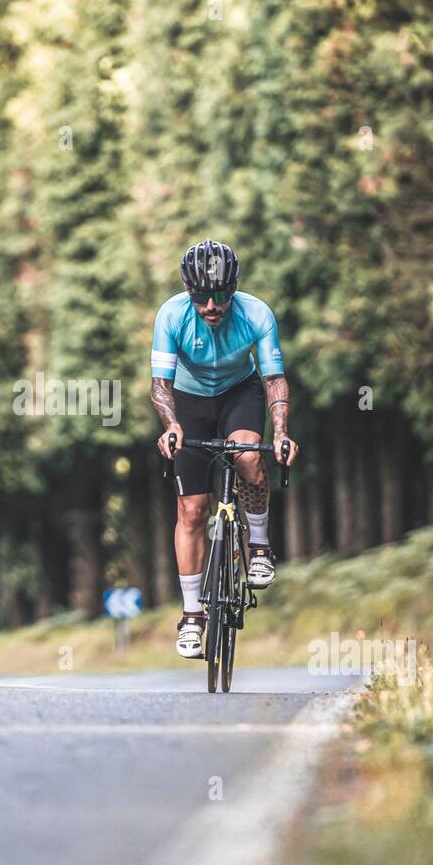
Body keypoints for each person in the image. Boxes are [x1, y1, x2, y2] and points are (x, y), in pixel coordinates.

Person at [150, 239, 299, 659]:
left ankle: (260, 546)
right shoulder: (171, 315)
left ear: (234, 289)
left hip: (239, 393)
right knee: (192, 510)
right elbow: (160, 385)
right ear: (187, 289)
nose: (211, 305)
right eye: (201, 296)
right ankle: (193, 616)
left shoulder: (256, 313)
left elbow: (273, 379)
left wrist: (282, 431)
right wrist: (173, 424)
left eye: (220, 295)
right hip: (190, 402)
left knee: (249, 454)